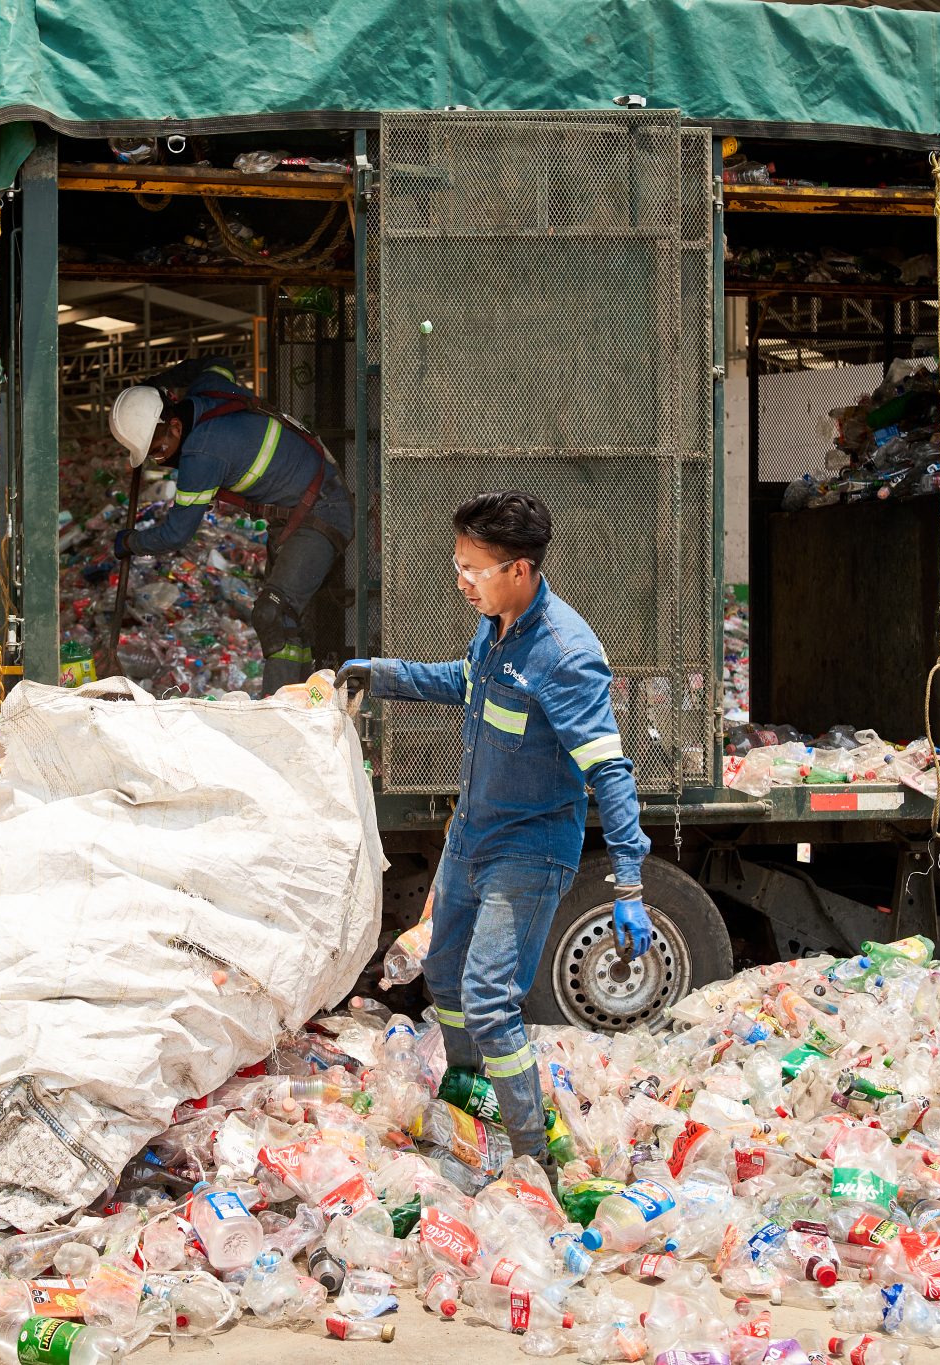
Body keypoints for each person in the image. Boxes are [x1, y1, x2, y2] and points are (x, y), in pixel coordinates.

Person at [336, 492, 651, 1178]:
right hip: (471, 836)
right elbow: (467, 682)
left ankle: (533, 1159)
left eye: (473, 568)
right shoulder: (494, 626)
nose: (461, 581)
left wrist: (629, 883)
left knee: (488, 996)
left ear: (520, 569)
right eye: (458, 564)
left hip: (529, 851)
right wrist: (382, 675)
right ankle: (467, 1097)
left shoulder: (565, 654)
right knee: (444, 974)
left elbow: (610, 769)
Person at [108, 357, 353, 692]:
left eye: (158, 451)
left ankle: (279, 709)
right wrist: (159, 380)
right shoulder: (208, 389)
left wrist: (130, 542)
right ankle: (304, 698)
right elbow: (216, 362)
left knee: (273, 613)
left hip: (321, 511)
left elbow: (176, 534)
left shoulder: (201, 455)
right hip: (298, 513)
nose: (160, 460)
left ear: (175, 427)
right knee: (288, 624)